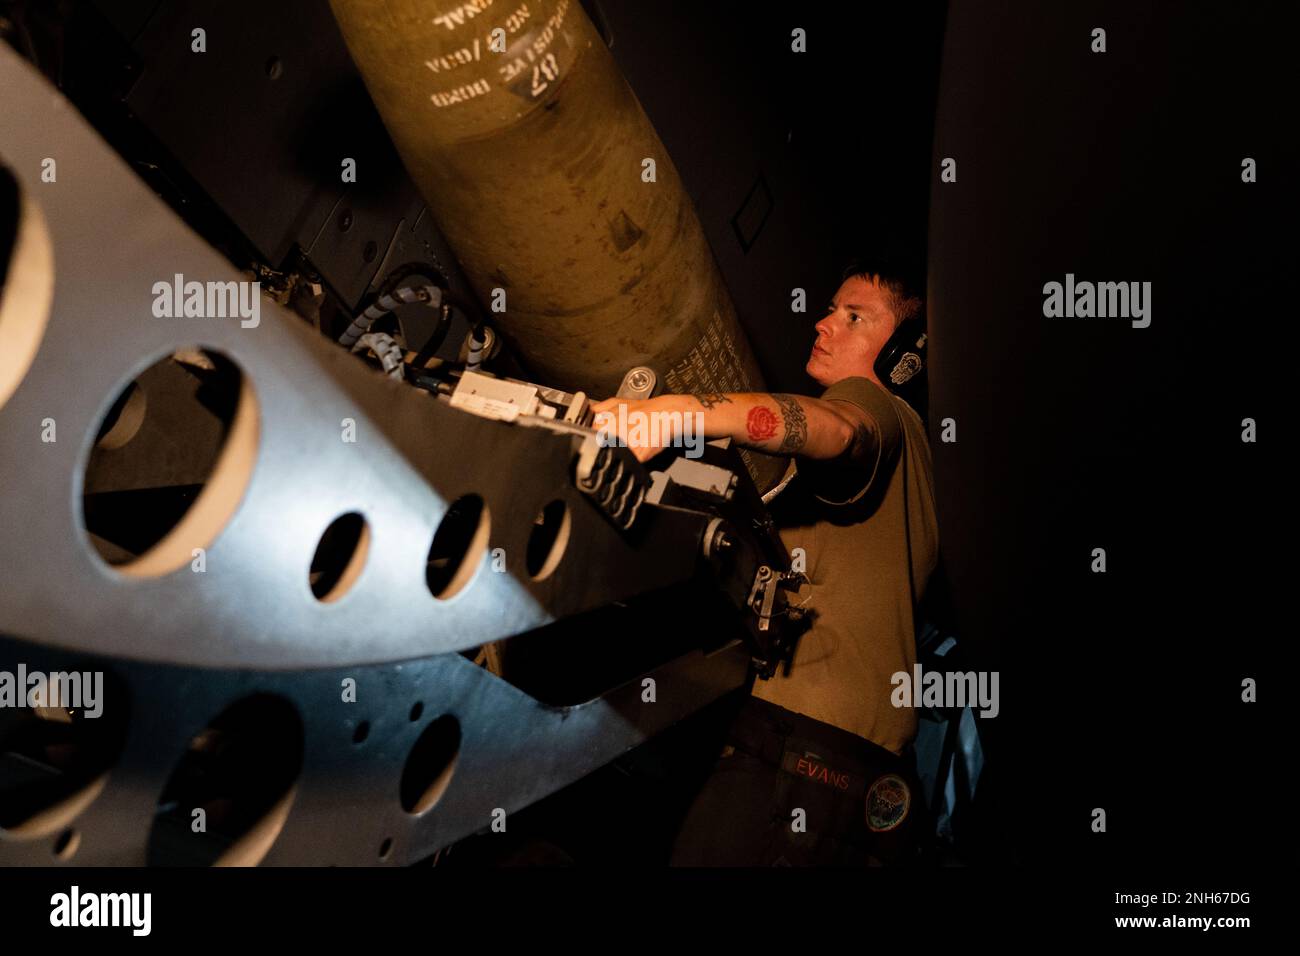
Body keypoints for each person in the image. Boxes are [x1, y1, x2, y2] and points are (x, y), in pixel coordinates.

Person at [590, 267, 940, 865]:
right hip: (853, 777)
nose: (825, 323)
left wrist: (671, 414)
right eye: (832, 307)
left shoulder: (877, 406)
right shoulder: (918, 468)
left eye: (855, 316)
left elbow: (836, 428)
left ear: (904, 357)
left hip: (802, 760)